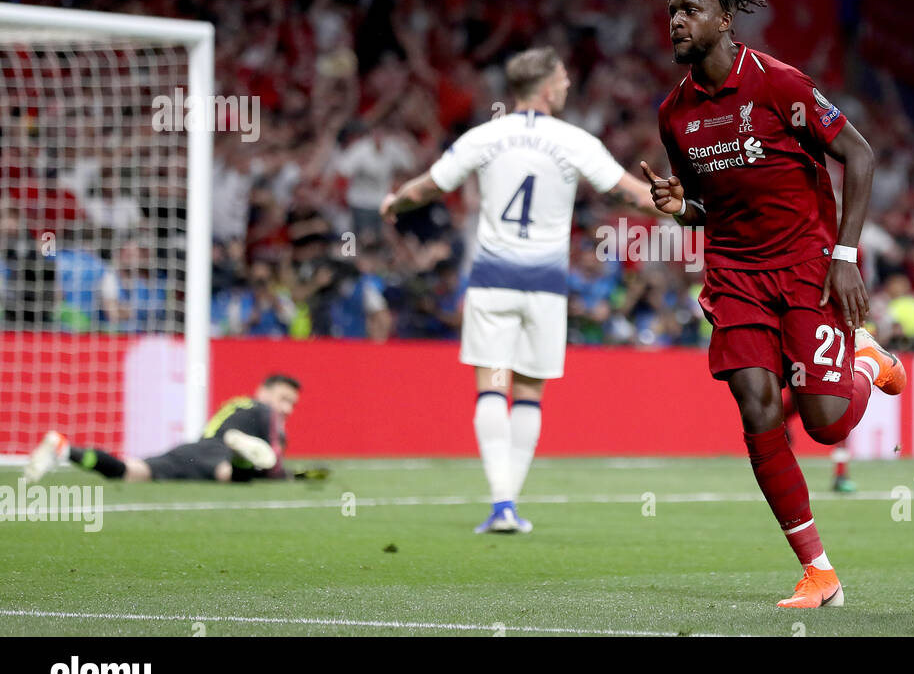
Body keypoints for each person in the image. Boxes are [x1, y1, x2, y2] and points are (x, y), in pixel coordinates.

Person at [641, 0, 905, 608]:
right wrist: (685, 209)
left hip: (807, 267)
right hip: (735, 275)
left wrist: (844, 257)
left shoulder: (779, 83)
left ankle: (867, 361)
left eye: (691, 10)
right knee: (757, 406)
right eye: (672, 10)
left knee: (825, 423)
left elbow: (861, 155)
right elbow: (714, 199)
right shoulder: (675, 115)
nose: (677, 20)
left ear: (725, 20)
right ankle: (819, 571)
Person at [381, 46, 657, 534]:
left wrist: (395, 201)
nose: (569, 84)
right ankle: (510, 505)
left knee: (491, 384)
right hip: (546, 285)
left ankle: (500, 504)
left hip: (492, 280)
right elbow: (630, 194)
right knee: (529, 390)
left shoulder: (485, 136)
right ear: (548, 86)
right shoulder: (575, 141)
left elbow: (428, 187)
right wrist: (688, 210)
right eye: (566, 77)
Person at [23, 374, 313, 484]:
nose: (286, 408)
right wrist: (287, 475)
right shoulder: (265, 411)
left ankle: (65, 448)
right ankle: (239, 455)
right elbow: (274, 463)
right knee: (237, 475)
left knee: (131, 471)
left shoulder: (238, 405)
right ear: (263, 391)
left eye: (292, 404)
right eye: (283, 399)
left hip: (192, 450)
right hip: (220, 454)